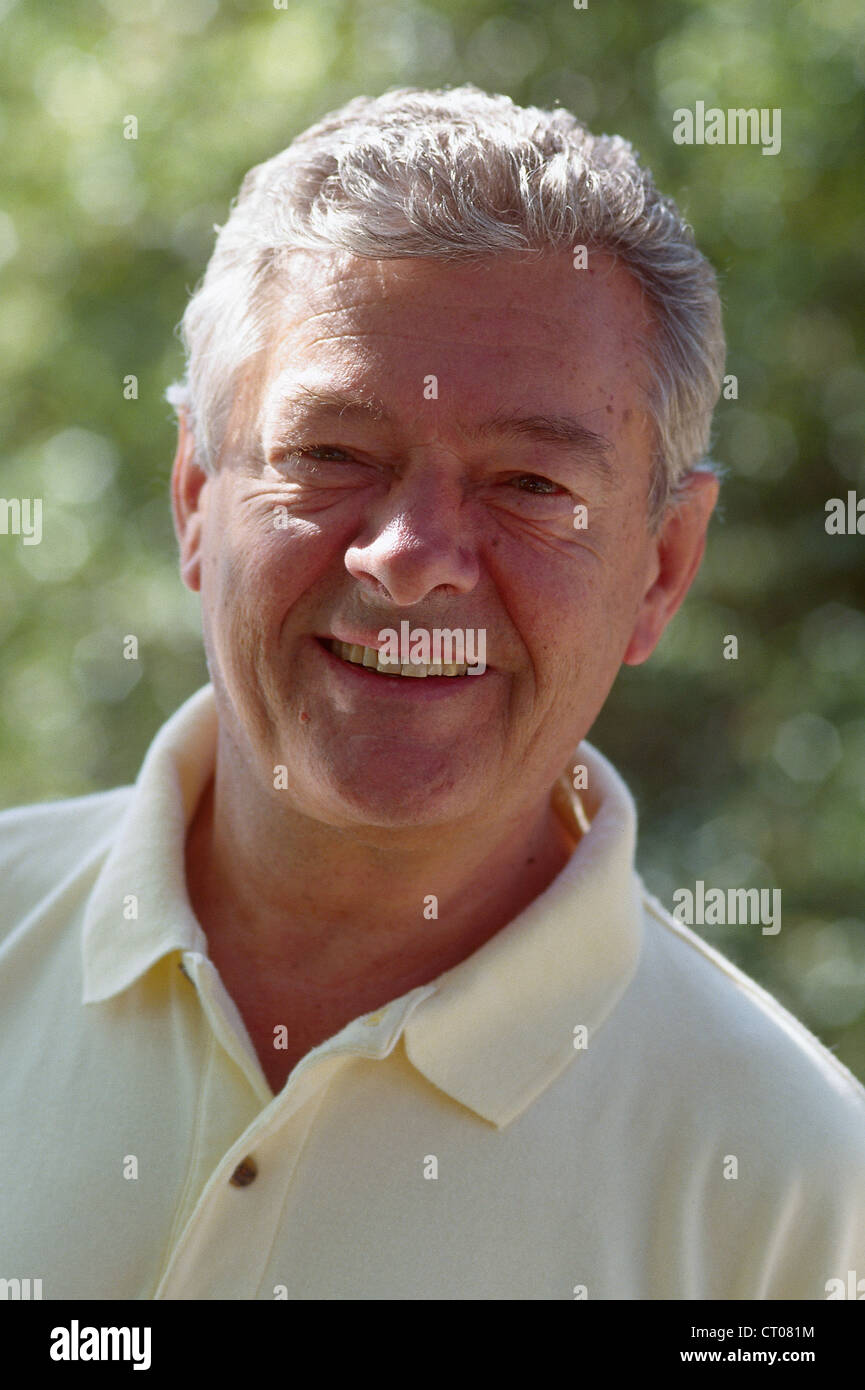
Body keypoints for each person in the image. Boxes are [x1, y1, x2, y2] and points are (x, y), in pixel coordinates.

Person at [1, 85, 863, 1302]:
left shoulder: (796, 1197)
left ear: (663, 566)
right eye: (331, 455)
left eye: (530, 483)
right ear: (195, 497)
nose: (410, 557)